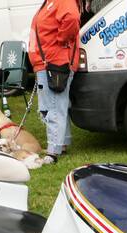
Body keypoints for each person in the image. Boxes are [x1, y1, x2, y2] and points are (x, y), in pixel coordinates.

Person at [28, 0, 81, 164]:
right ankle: (61, 143)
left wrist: (60, 39)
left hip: (54, 62)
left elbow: (72, 18)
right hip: (49, 62)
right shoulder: (50, 2)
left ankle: (53, 151)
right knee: (56, 104)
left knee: (53, 106)